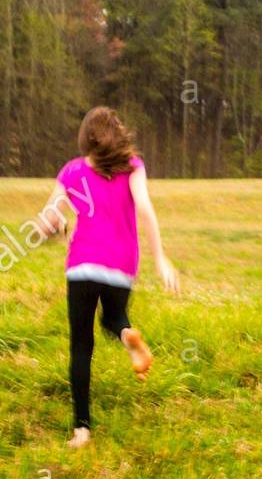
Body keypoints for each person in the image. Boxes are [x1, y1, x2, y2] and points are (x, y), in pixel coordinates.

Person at [35, 106, 179, 448]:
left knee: (81, 345)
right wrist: (160, 258)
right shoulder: (133, 167)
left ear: (85, 138)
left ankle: (82, 429)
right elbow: (144, 207)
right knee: (113, 317)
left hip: (83, 264)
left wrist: (54, 227)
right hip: (121, 263)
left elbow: (45, 223)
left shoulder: (71, 171)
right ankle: (126, 332)